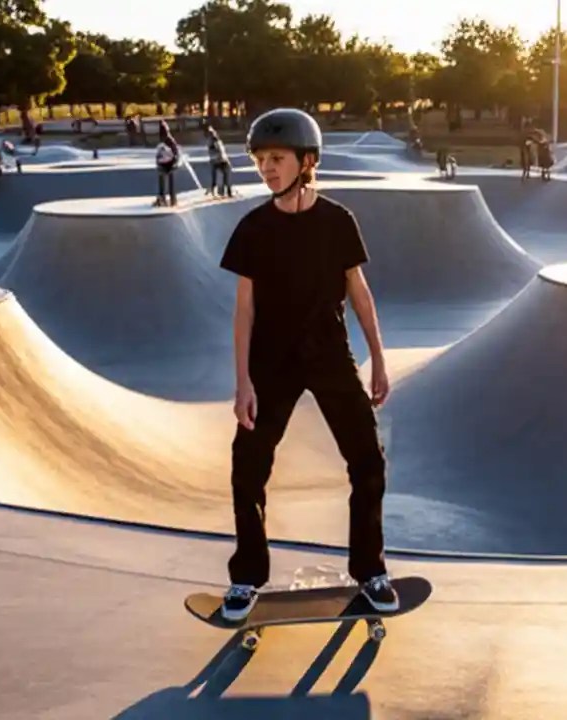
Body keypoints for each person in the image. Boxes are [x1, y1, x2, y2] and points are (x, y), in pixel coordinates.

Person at [216, 108, 397, 622]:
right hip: (271, 364)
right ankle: (247, 578)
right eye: (260, 160)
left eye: (276, 158)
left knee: (368, 462)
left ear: (307, 160)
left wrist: (378, 359)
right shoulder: (253, 228)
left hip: (330, 357)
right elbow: (244, 308)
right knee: (247, 468)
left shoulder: (338, 221)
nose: (266, 169)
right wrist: (242, 381)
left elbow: (359, 293)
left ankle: (370, 570)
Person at [153, 121, 181, 207]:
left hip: (170, 163)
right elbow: (159, 152)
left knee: (169, 180)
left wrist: (175, 162)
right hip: (164, 164)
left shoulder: (170, 140)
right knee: (162, 179)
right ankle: (163, 198)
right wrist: (158, 161)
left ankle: (172, 199)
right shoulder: (163, 140)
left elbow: (176, 152)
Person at [205, 126, 233, 198]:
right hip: (220, 160)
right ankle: (225, 191)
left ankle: (221, 191)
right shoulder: (216, 141)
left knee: (218, 176)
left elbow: (219, 151)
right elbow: (220, 151)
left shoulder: (212, 141)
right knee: (225, 175)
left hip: (217, 160)